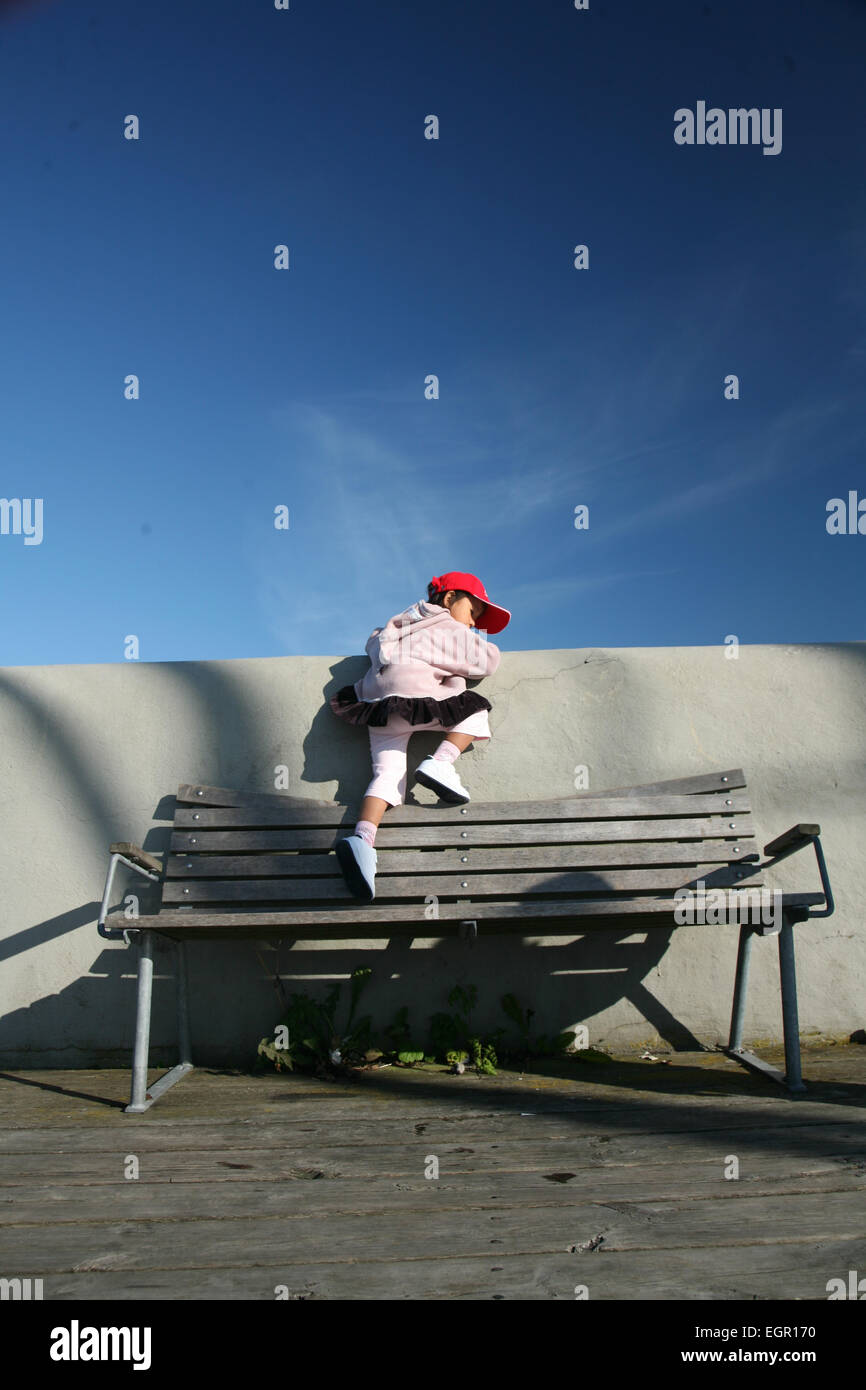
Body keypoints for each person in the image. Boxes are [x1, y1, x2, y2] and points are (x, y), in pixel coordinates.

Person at [328, 571, 511, 901]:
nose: (473, 624)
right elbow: (486, 662)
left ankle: (362, 839)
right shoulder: (446, 625)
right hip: (415, 694)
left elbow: (373, 643)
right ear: (449, 598)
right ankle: (441, 763)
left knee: (387, 775)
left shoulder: (398, 624)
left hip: (378, 704)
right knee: (475, 709)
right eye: (473, 612)